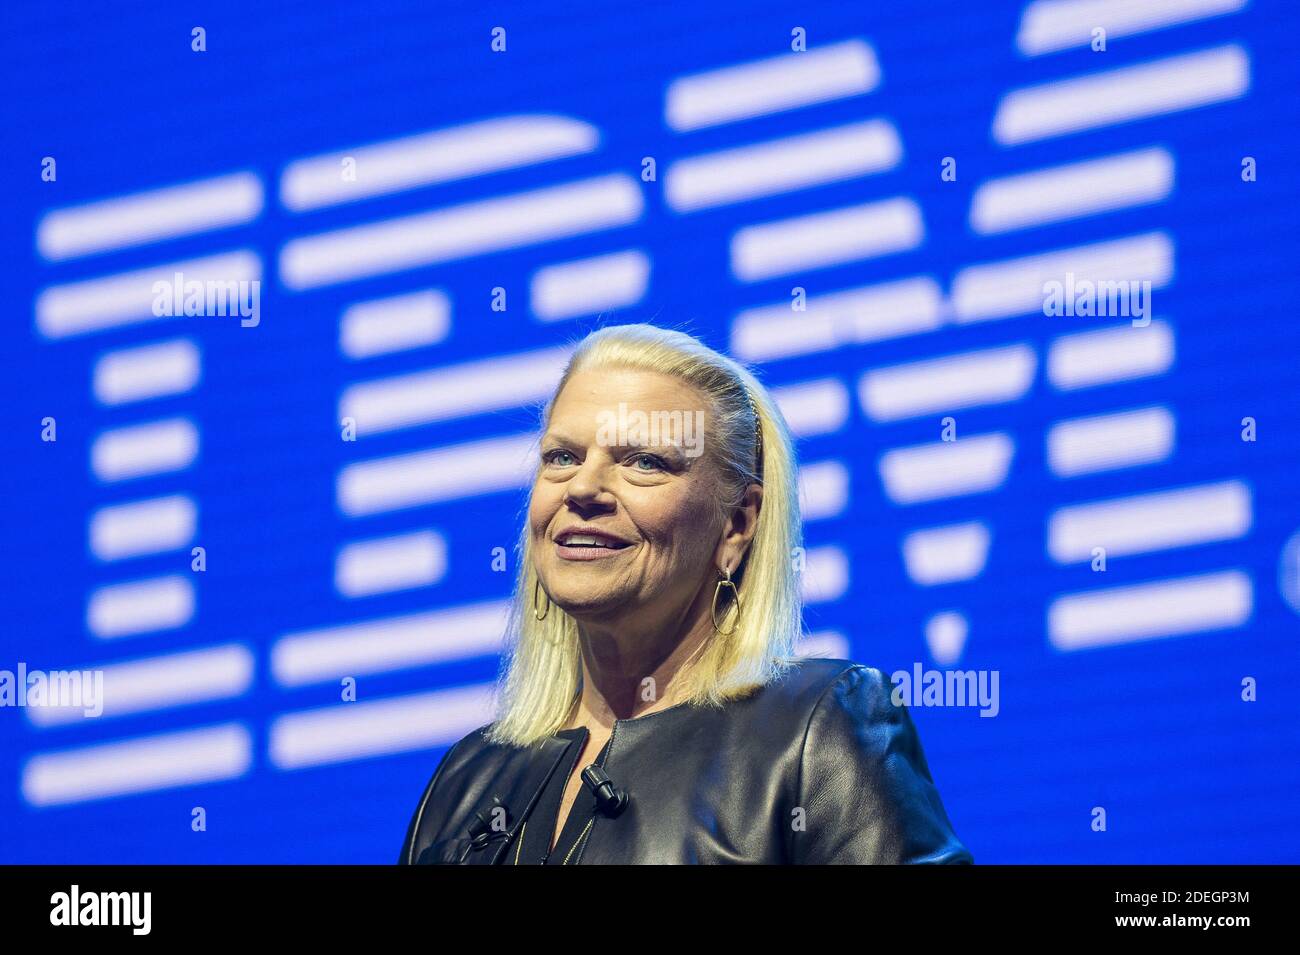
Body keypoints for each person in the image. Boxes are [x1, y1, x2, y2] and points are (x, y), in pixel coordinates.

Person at [399, 323, 973, 864]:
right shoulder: (466, 782)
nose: (583, 488)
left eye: (644, 462)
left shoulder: (810, 732)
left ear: (737, 524)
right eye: (562, 457)